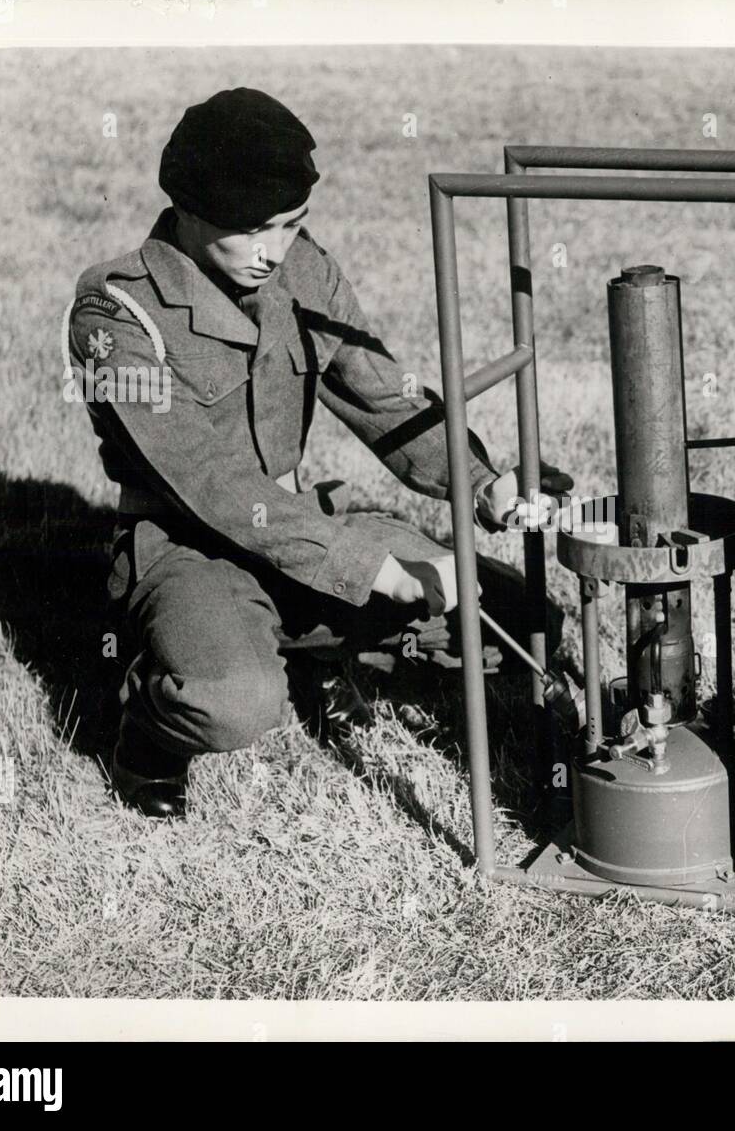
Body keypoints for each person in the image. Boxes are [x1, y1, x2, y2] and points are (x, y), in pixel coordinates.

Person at [63, 87, 570, 819]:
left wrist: (483, 483)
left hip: (297, 523)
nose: (274, 252)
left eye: (292, 225)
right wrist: (373, 571)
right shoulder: (116, 311)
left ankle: (300, 641)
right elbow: (211, 484)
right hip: (189, 545)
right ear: (189, 210)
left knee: (517, 612)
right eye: (254, 230)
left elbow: (384, 396)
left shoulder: (299, 268)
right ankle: (148, 722)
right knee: (235, 702)